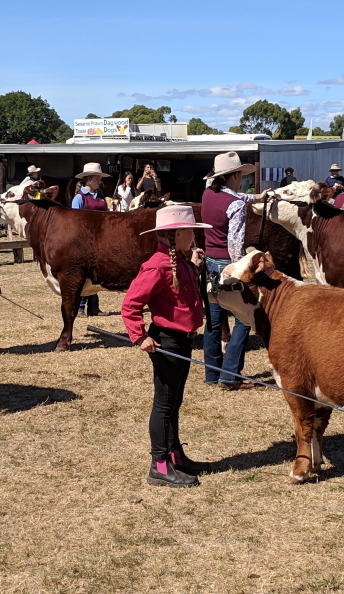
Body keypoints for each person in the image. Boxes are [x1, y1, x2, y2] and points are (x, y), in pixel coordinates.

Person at [121, 204, 211, 487]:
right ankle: (159, 465)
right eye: (192, 231)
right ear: (179, 233)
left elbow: (181, 295)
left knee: (174, 402)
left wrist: (194, 267)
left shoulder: (179, 260)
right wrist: (140, 336)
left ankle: (175, 455)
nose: (195, 235)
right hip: (167, 343)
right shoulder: (157, 266)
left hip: (183, 342)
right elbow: (130, 305)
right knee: (164, 404)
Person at [202, 152, 258, 390]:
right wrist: (241, 268)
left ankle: (212, 373)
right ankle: (230, 374)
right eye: (241, 176)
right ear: (235, 176)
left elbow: (236, 197)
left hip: (210, 262)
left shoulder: (207, 193)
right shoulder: (235, 205)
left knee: (214, 321)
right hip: (228, 263)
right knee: (244, 320)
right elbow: (235, 244)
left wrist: (256, 197)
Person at [72, 163, 111, 316]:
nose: (99, 181)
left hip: (100, 239)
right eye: (96, 178)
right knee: (85, 273)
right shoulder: (79, 198)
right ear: (88, 179)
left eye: (99, 178)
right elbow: (74, 221)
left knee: (95, 273)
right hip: (85, 240)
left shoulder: (100, 197)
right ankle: (81, 307)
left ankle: (93, 307)